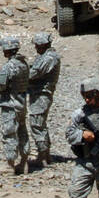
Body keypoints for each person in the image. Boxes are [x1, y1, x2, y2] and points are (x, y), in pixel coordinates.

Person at [0, 36, 30, 174]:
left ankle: (10, 165)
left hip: (10, 104)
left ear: (7, 51)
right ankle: (24, 162)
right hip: (21, 102)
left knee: (9, 133)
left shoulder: (8, 67)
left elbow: (0, 86)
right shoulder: (24, 64)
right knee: (22, 131)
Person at [27, 32, 60, 166]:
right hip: (38, 94)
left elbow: (34, 73)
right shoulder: (44, 56)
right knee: (40, 123)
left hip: (42, 95)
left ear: (45, 45)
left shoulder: (49, 58)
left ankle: (42, 155)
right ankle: (46, 155)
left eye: (38, 45)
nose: (36, 48)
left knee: (37, 123)